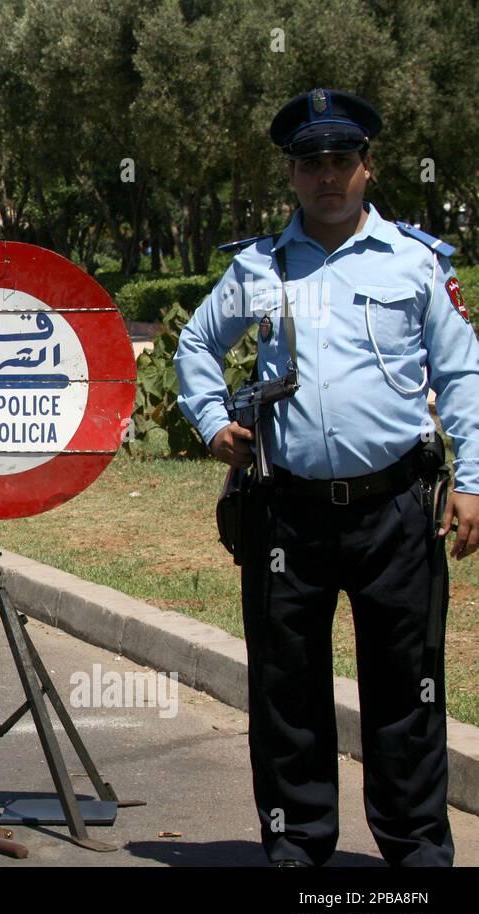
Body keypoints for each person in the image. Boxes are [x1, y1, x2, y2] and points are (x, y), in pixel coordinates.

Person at [175, 89, 478, 867]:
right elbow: (195, 348)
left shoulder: (416, 262)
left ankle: (416, 853)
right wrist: (213, 424)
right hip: (287, 516)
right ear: (293, 175)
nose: (328, 176)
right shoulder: (258, 268)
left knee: (406, 694)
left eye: (342, 159)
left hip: (397, 513)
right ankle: (297, 850)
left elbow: (463, 374)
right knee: (287, 696)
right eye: (312, 163)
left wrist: (472, 480)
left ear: (367, 167)